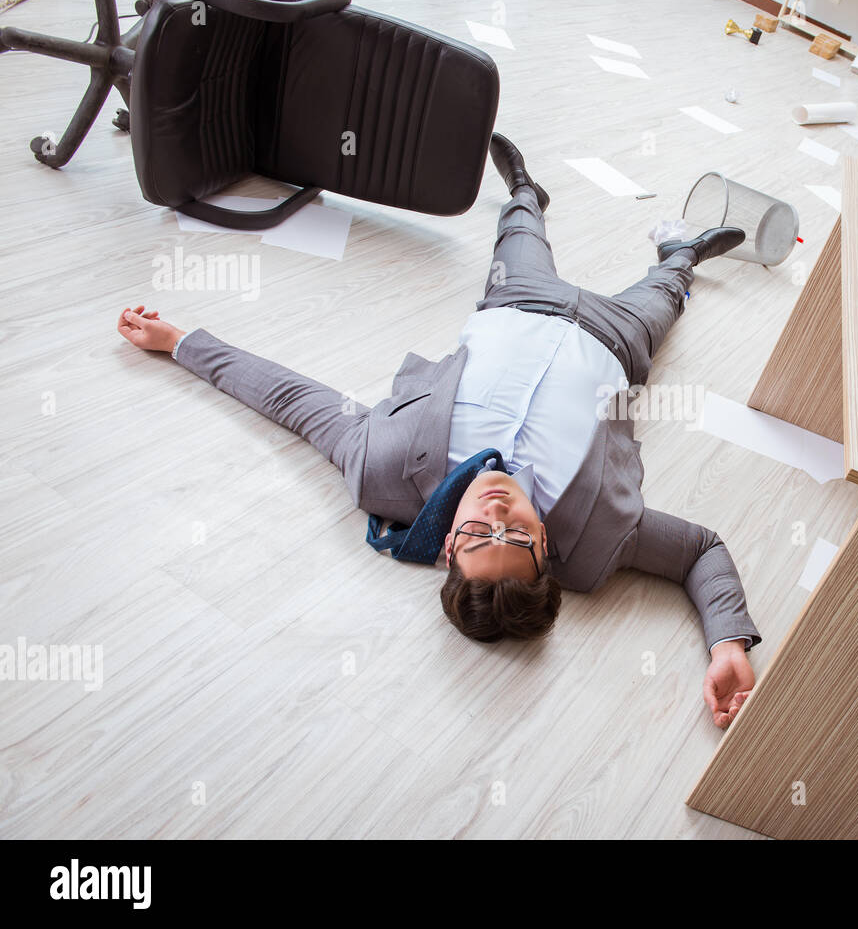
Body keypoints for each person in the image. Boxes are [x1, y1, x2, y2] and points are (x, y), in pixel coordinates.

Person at [117, 134, 760, 728]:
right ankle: (684, 253)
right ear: (547, 551)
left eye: (481, 533)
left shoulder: (385, 467)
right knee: (668, 291)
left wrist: (180, 342)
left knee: (520, 233)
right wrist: (726, 642)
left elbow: (296, 401)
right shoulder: (598, 542)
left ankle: (526, 192)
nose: (498, 512)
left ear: (449, 545)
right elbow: (700, 549)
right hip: (615, 341)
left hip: (518, 298)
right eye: (520, 534)